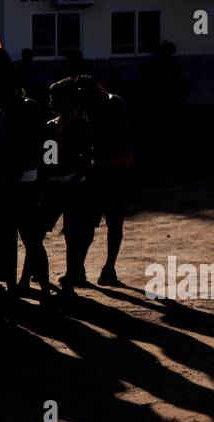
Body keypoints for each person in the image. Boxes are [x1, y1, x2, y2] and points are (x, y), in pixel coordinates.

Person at [0, 52, 48, 299]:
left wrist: (16, 175)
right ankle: (11, 286)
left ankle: (43, 286)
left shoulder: (27, 107)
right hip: (0, 184)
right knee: (5, 240)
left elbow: (34, 145)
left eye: (0, 83)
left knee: (31, 238)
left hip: (24, 183)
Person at [38, 78, 94, 294]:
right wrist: (48, 181)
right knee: (38, 230)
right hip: (55, 186)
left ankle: (73, 273)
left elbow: (86, 157)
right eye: (51, 97)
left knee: (73, 233)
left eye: (56, 97)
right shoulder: (52, 127)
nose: (52, 101)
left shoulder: (83, 125)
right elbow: (49, 159)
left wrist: (74, 178)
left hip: (76, 185)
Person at [76, 75, 132, 286]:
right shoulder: (94, 105)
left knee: (112, 222)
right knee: (89, 224)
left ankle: (108, 266)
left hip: (113, 170)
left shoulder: (112, 104)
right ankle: (81, 268)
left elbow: (105, 140)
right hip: (102, 170)